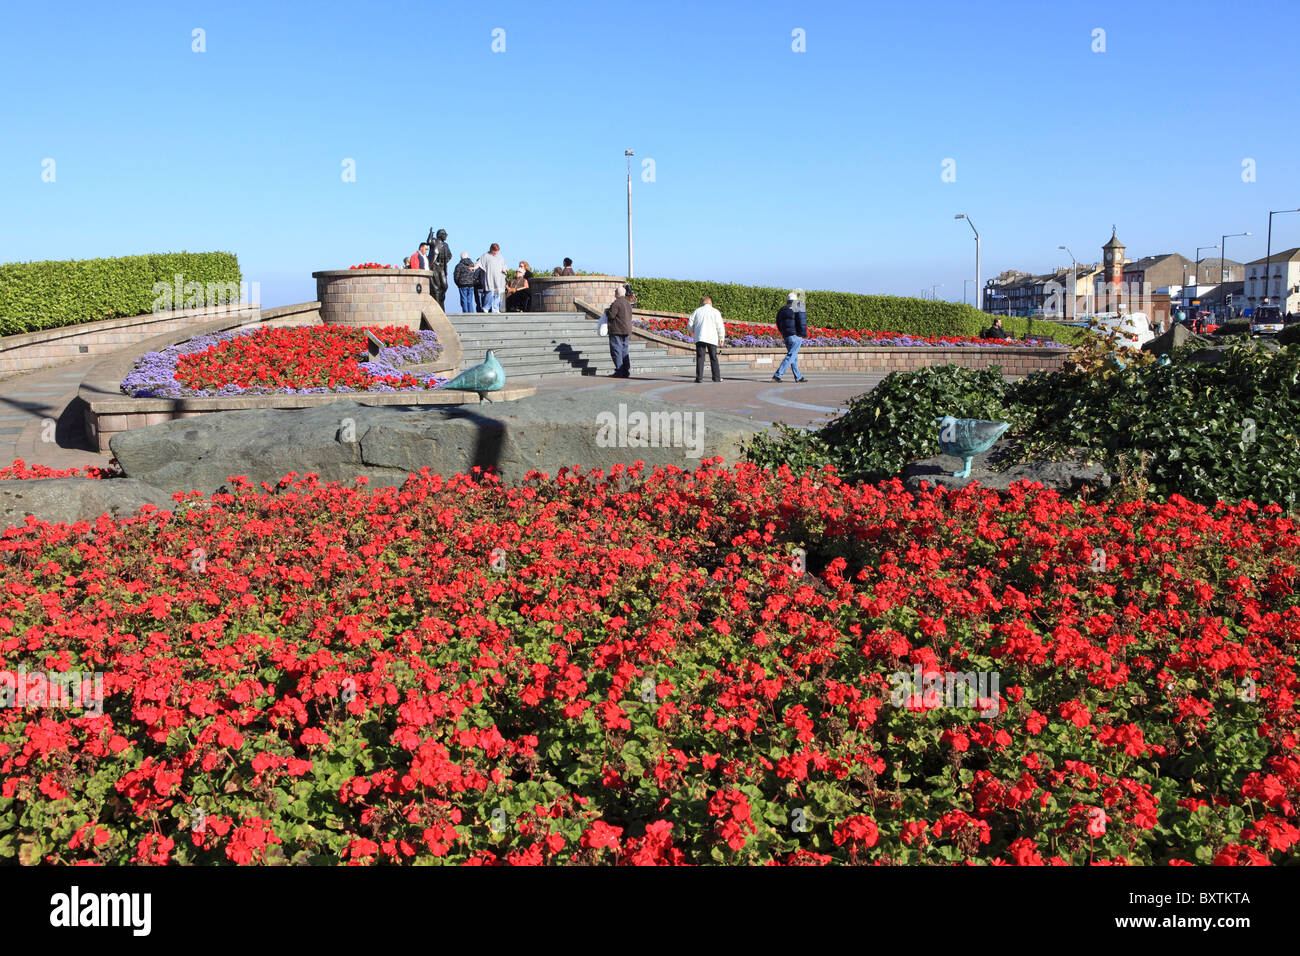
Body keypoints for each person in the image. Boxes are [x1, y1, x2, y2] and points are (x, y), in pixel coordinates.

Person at [689, 296, 725, 383]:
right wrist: (721, 337)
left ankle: (699, 378)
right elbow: (720, 326)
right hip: (712, 338)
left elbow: (690, 323)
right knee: (713, 358)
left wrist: (693, 331)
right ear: (710, 303)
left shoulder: (697, 311)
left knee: (700, 357)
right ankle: (716, 377)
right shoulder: (715, 312)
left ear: (703, 303)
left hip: (700, 337)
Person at [773, 292, 807, 383]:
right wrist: (803, 334)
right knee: (791, 355)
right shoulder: (798, 307)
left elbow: (778, 323)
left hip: (786, 335)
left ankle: (798, 376)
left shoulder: (782, 309)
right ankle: (778, 374)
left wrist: (783, 333)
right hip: (796, 335)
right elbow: (802, 321)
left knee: (793, 357)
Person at [605, 285, 633, 378]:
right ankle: (626, 371)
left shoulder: (616, 303)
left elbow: (611, 316)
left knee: (616, 350)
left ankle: (619, 371)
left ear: (617, 293)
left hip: (617, 330)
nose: (614, 294)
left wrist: (607, 312)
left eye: (615, 292)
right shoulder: (628, 303)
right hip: (626, 330)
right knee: (624, 351)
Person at [474, 244, 508, 313]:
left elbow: (504, 265)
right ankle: (486, 307)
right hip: (489, 278)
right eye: (494, 251)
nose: (496, 252)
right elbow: (479, 263)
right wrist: (474, 267)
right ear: (491, 249)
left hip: (498, 279)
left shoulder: (500, 257)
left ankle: (495, 309)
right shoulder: (486, 256)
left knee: (497, 293)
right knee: (489, 293)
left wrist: (504, 269)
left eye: (497, 251)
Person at [427, 229, 452, 309]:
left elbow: (449, 255)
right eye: (444, 235)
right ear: (440, 235)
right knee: (436, 287)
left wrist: (444, 262)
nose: (446, 236)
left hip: (442, 267)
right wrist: (431, 234)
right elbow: (429, 242)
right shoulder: (434, 241)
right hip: (434, 267)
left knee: (444, 286)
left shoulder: (446, 245)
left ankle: (441, 304)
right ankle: (437, 306)